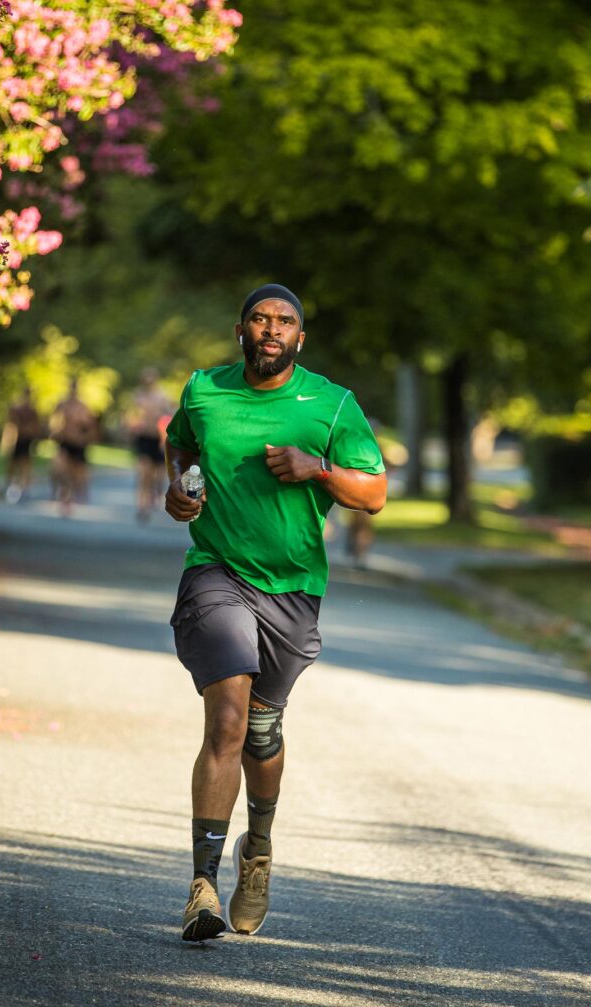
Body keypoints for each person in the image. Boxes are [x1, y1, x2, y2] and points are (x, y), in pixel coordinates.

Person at [164, 284, 387, 942]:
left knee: (262, 733)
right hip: (216, 574)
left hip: (292, 589)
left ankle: (256, 849)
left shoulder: (331, 404)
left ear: (299, 338)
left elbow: (372, 493)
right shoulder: (204, 390)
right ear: (241, 330)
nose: (271, 330)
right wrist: (180, 489)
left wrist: (318, 469)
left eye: (284, 322)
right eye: (260, 319)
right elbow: (181, 448)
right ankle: (201, 885)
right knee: (227, 721)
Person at [125, 367, 174, 523]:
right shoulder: (137, 397)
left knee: (158, 474)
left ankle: (156, 491)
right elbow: (130, 417)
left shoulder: (162, 397)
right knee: (144, 472)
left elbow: (171, 416)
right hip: (143, 438)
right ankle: (142, 506)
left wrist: (166, 435)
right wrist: (132, 426)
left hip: (158, 440)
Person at [49, 376, 99, 513]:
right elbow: (53, 420)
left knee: (77, 473)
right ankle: (63, 496)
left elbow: (91, 426)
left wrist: (86, 438)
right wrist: (54, 431)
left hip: (78, 444)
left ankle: (80, 492)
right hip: (64, 442)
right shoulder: (62, 404)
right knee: (59, 468)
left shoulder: (83, 407)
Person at [1, 388, 43, 504]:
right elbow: (11, 423)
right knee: (13, 465)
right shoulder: (17, 409)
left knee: (25, 465)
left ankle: (25, 489)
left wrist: (35, 440)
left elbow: (35, 426)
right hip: (17, 440)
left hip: (27, 440)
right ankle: (10, 486)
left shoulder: (32, 410)